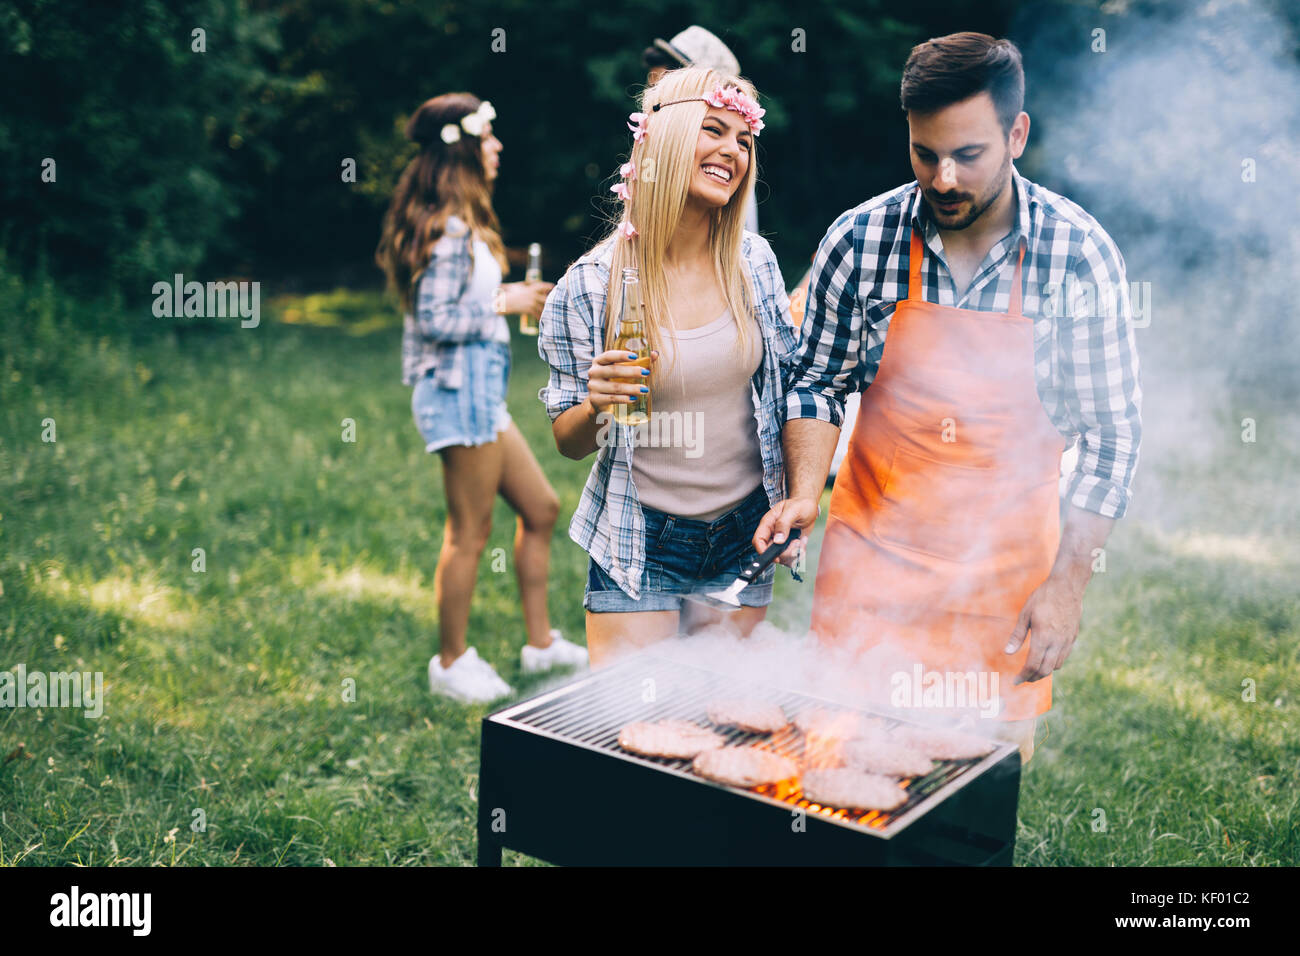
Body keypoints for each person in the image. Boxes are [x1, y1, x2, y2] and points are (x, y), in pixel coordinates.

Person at [755, 33, 1142, 764]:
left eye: (968, 154)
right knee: (841, 773)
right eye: (925, 153)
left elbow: (1112, 434)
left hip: (1001, 582)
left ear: (1016, 134)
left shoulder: (1078, 255)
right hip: (871, 567)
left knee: (972, 797)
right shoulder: (859, 240)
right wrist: (806, 491)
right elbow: (817, 382)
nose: (943, 179)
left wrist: (1067, 587)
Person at [538, 67, 800, 667]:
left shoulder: (754, 263)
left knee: (724, 729)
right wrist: (596, 405)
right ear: (667, 139)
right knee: (632, 737)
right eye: (714, 130)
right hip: (640, 539)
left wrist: (795, 496)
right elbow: (570, 443)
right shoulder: (593, 285)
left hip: (743, 534)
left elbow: (787, 393)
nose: (732, 151)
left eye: (744, 141)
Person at [376, 93, 589, 704]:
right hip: (455, 394)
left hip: (479, 398)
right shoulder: (444, 230)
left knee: (542, 508)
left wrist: (509, 298)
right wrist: (507, 302)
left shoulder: (462, 224)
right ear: (464, 148)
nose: (497, 148)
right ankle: (451, 662)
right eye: (489, 138)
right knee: (469, 532)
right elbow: (435, 317)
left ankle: (541, 644)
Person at [641, 26, 760, 234]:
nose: (654, 102)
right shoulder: (644, 155)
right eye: (654, 89)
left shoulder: (722, 176)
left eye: (667, 89)